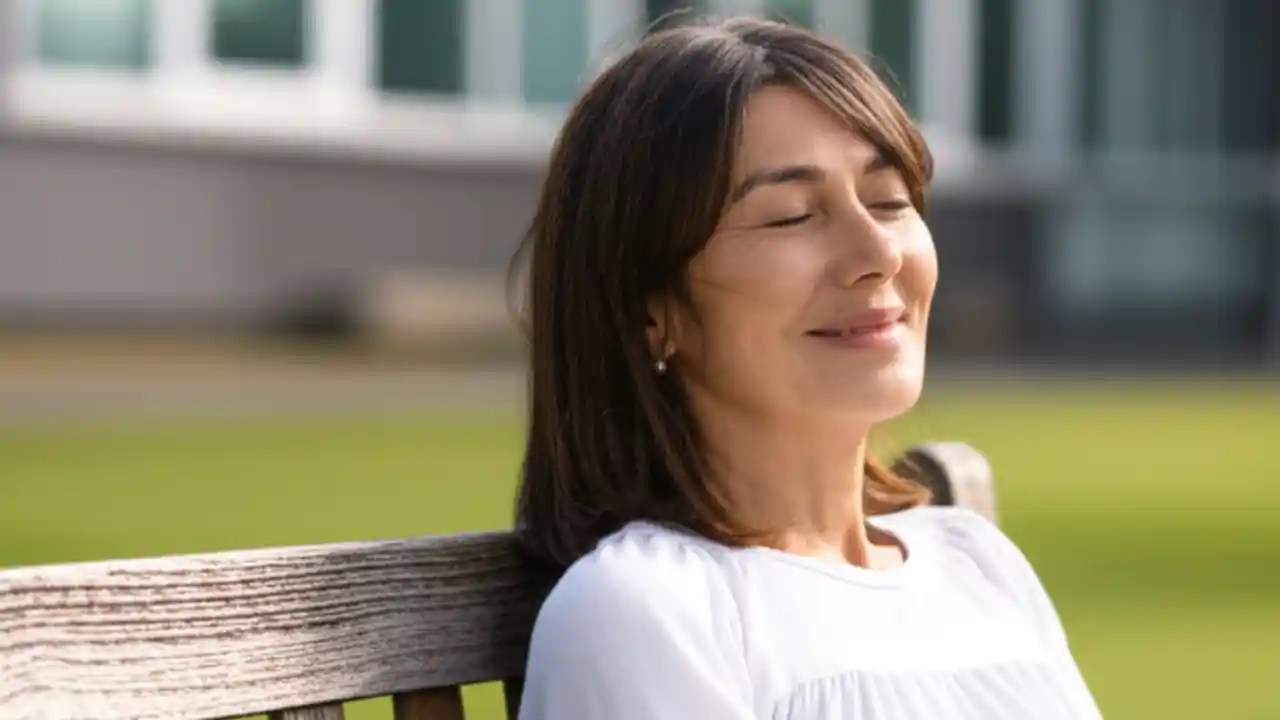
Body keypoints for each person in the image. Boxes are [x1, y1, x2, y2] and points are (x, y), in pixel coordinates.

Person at [509, 16, 1103, 720]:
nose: (878, 252)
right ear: (648, 309)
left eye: (889, 201)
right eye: (791, 216)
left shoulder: (976, 562)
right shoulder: (647, 613)